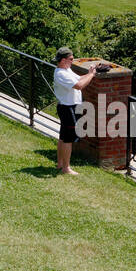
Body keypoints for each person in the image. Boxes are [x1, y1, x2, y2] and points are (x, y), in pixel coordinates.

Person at [52, 47, 97, 176]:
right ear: (64, 60)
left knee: (63, 137)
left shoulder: (66, 70)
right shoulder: (61, 73)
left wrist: (90, 72)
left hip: (68, 107)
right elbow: (79, 85)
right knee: (68, 139)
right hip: (68, 108)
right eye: (71, 59)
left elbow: (79, 79)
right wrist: (92, 75)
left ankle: (60, 164)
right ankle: (66, 168)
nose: (73, 61)